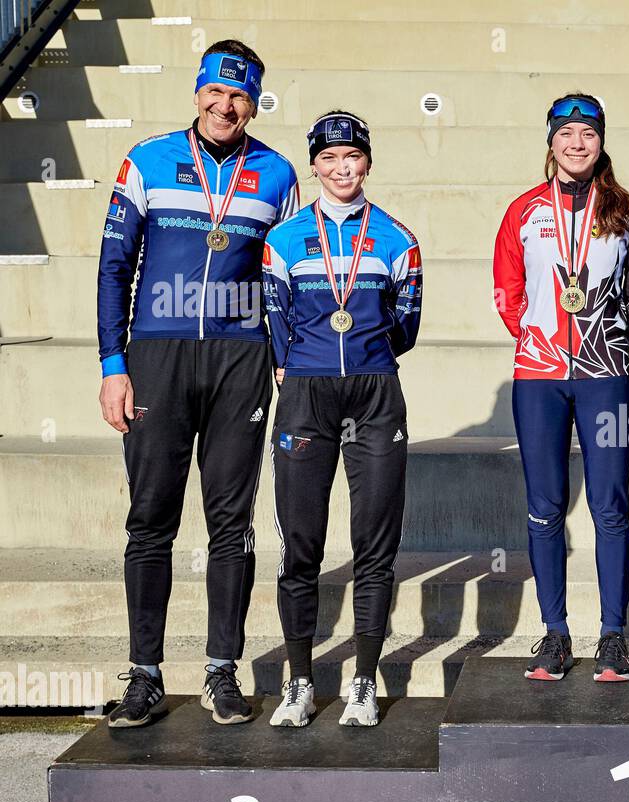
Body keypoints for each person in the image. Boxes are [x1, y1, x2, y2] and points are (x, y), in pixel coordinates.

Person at [98, 40, 299, 728]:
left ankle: (222, 671)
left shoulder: (276, 173)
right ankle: (145, 675)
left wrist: (286, 358)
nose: (226, 106)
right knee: (150, 516)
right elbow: (112, 268)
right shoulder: (147, 160)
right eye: (216, 92)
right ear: (197, 92)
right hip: (156, 356)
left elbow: (287, 277)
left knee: (230, 523)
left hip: (240, 362)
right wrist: (111, 364)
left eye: (240, 96)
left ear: (254, 102)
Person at [262, 111, 422, 727]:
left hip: (376, 395)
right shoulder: (282, 239)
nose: (341, 168)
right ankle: (299, 681)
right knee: (300, 543)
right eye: (328, 160)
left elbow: (404, 325)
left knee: (374, 545)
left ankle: (363, 679)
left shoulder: (397, 239)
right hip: (305, 396)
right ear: (314, 166)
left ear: (368, 163)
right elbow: (275, 316)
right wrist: (296, 366)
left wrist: (362, 358)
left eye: (352, 157)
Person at [493, 93, 629, 682]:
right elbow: (508, 289)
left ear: (601, 140)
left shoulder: (627, 212)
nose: (577, 143)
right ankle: (555, 633)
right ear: (551, 140)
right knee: (545, 507)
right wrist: (536, 337)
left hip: (604, 375)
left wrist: (609, 336)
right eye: (566, 133)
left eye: (588, 133)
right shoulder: (522, 211)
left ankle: (613, 635)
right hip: (538, 378)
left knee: (610, 506)